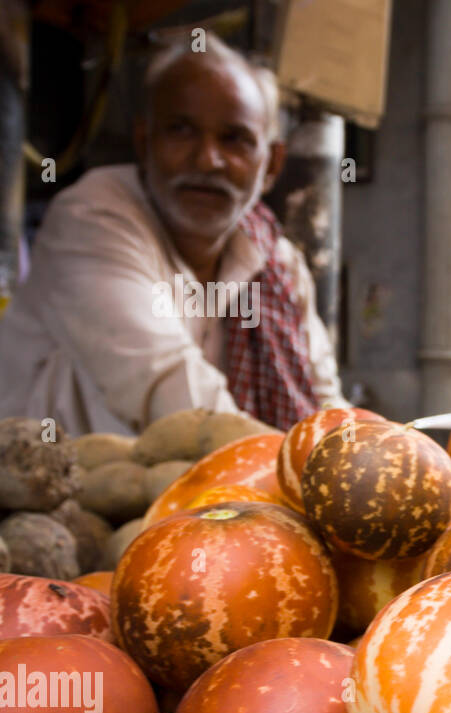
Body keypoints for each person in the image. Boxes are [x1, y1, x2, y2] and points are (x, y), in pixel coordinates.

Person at [0, 37, 345, 435]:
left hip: (210, 487)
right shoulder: (91, 216)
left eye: (234, 139)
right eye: (181, 131)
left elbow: (324, 403)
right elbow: (167, 385)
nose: (207, 160)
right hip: (50, 491)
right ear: (145, 144)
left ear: (271, 166)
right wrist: (287, 473)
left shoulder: (279, 263)